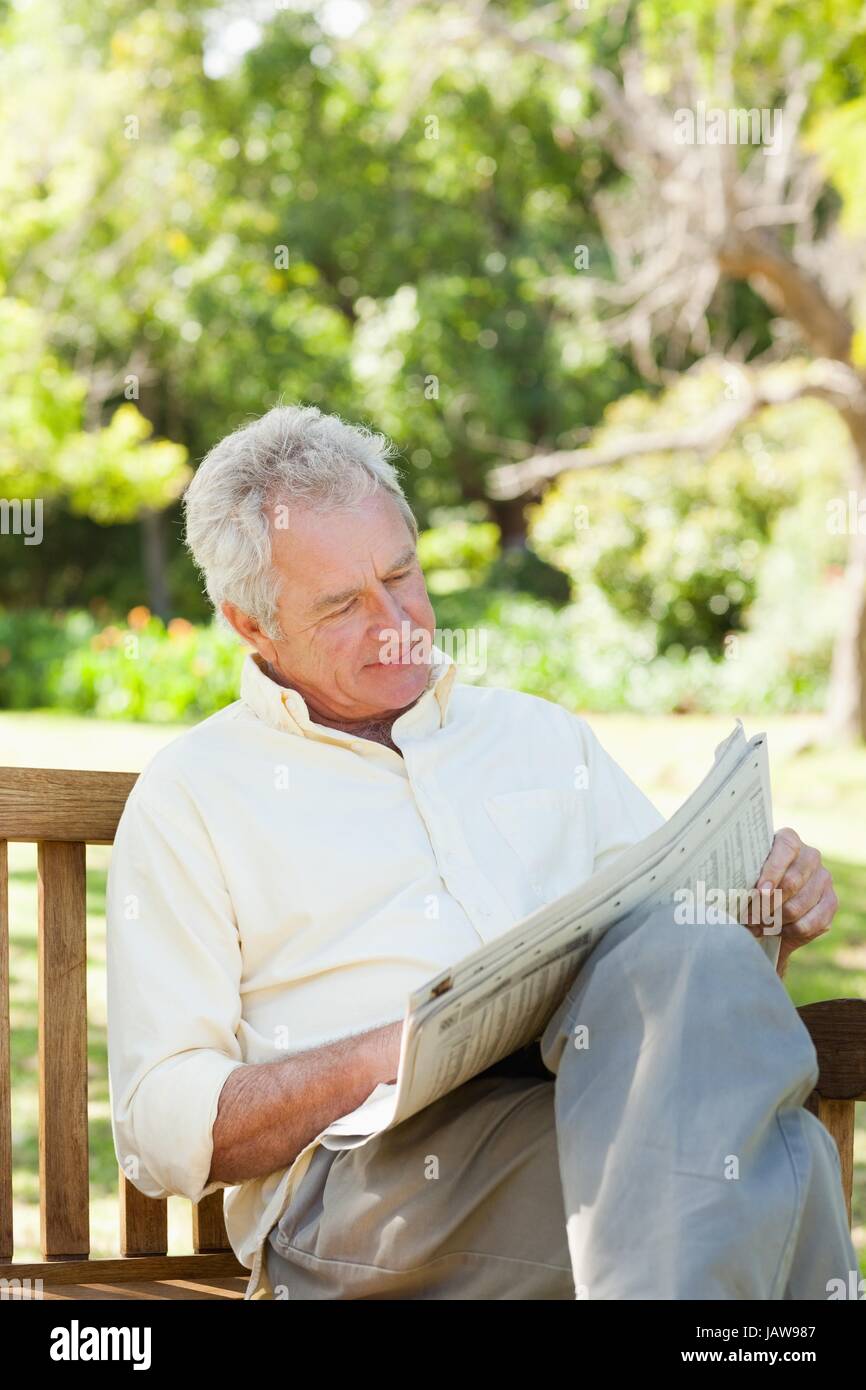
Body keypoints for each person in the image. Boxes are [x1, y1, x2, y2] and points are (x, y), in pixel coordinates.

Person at [106, 404, 858, 1301]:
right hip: (369, 1191)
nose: (397, 623)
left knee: (699, 1010)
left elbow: (684, 1003)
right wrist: (398, 1049)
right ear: (252, 625)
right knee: (776, 1171)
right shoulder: (195, 795)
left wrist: (765, 918)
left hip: (582, 1121)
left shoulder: (539, 739)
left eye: (401, 574)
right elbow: (163, 1127)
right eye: (344, 605)